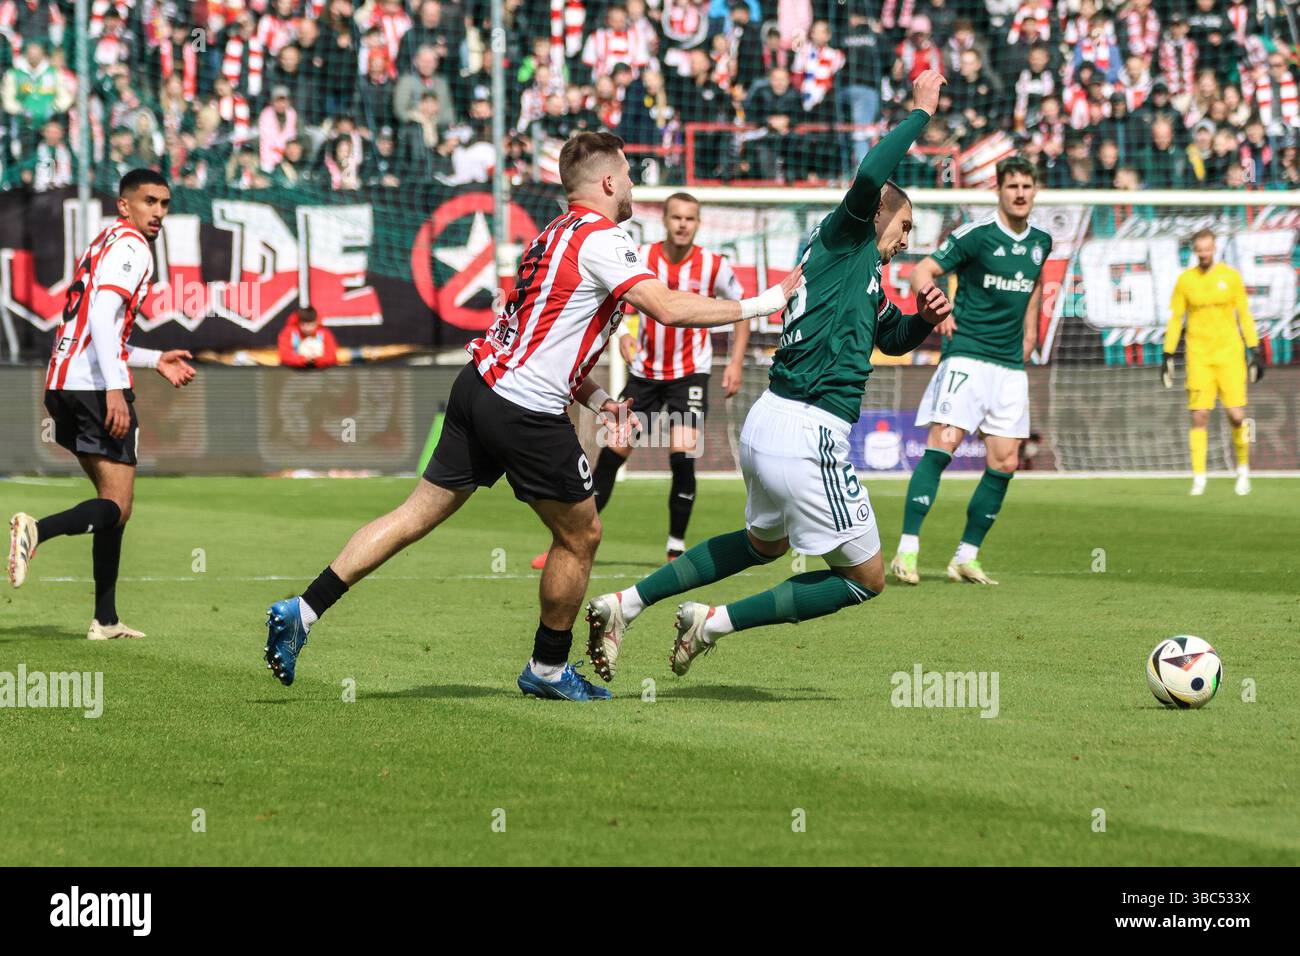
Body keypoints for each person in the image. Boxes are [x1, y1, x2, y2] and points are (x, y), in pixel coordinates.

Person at [262, 131, 801, 700]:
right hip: (524, 410)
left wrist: (597, 401)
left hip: (480, 386)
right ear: (610, 181)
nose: (635, 186)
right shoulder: (603, 238)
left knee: (415, 515)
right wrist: (763, 303)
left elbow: (544, 340)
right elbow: (664, 307)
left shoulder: (552, 235)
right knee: (582, 535)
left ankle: (304, 608)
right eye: (629, 174)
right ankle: (546, 669)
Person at [584, 73, 952, 682]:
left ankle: (626, 604)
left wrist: (922, 324)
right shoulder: (848, 230)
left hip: (770, 420)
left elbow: (888, 335)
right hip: (809, 431)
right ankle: (712, 623)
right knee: (866, 580)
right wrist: (919, 113)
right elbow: (868, 178)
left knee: (765, 546)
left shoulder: (854, 268)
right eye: (905, 226)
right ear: (881, 213)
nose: (906, 241)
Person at [7, 170, 196, 639]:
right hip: (93, 387)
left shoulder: (105, 242)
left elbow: (96, 331)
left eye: (165, 203)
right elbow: (103, 318)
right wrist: (115, 388)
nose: (158, 212)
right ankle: (36, 531)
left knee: (113, 504)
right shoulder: (133, 246)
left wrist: (154, 359)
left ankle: (106, 619)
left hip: (63, 383)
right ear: (124, 205)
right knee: (118, 504)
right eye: (149, 201)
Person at [530, 192, 747, 570]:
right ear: (664, 220)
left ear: (698, 224)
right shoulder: (641, 255)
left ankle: (675, 550)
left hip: (689, 374)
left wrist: (737, 363)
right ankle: (569, 541)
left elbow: (742, 308)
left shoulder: (714, 265)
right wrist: (626, 332)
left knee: (682, 454)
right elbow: (617, 299)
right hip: (645, 374)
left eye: (690, 219)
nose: (682, 224)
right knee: (612, 456)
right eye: (676, 217)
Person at [890, 156, 1052, 587]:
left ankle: (967, 556)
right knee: (942, 446)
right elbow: (921, 269)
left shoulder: (1041, 242)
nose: (1020, 193)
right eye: (1012, 185)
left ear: (1035, 192)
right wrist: (934, 304)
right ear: (998, 190)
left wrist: (1031, 332)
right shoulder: (977, 235)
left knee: (1005, 461)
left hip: (1009, 367)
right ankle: (907, 548)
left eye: (1026, 186)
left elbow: (1034, 285)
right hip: (966, 356)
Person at [1163, 228, 1261, 496]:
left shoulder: (1230, 277)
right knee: (1199, 416)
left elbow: (1244, 314)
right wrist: (1168, 352)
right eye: (1200, 249)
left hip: (1230, 354)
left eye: (1208, 248)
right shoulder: (1185, 280)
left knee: (1237, 415)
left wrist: (1254, 348)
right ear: (1195, 250)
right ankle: (1199, 477)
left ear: (1214, 248)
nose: (1204, 253)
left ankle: (1243, 469)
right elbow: (1176, 318)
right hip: (1199, 356)